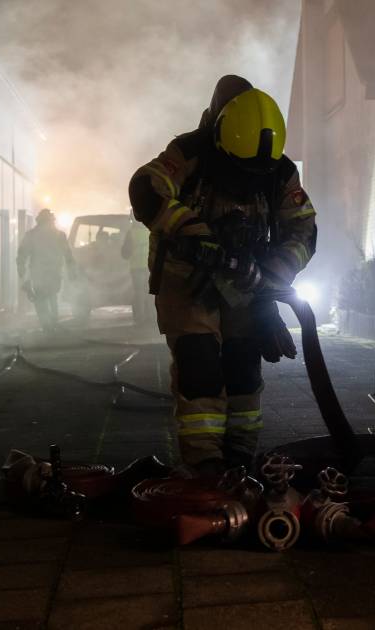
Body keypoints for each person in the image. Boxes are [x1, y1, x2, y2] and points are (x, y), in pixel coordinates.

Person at [128, 75, 317, 473]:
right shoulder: (190, 152)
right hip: (188, 277)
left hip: (246, 282)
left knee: (243, 365)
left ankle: (241, 459)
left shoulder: (279, 170)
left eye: (257, 173)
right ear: (221, 137)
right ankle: (206, 466)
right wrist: (192, 232)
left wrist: (269, 284)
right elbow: (146, 187)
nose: (248, 181)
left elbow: (303, 230)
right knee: (199, 365)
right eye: (239, 171)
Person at [17, 208, 76, 332]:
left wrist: (21, 271)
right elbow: (68, 254)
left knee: (40, 298)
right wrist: (71, 271)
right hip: (54, 272)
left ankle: (47, 325)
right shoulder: (59, 235)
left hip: (38, 273)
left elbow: (22, 254)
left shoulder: (31, 235)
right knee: (52, 296)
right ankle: (52, 322)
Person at [121, 213, 153, 327]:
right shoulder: (150, 230)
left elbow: (125, 253)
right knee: (150, 293)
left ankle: (140, 319)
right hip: (149, 267)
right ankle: (151, 317)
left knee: (139, 294)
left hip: (137, 268)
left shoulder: (131, 233)